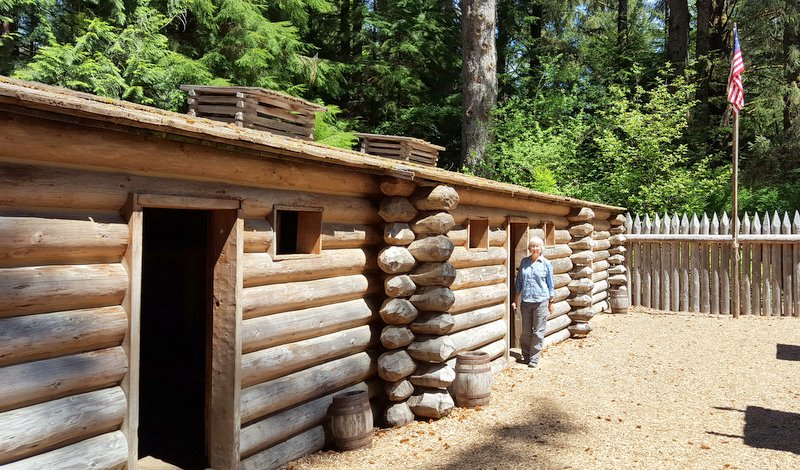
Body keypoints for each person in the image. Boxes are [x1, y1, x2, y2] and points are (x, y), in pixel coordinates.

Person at [512, 236, 554, 369]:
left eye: (537, 246)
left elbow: (550, 284)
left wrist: (551, 302)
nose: (535, 249)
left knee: (538, 331)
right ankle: (526, 355)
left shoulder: (546, 263)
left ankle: (534, 358)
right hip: (526, 301)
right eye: (532, 246)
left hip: (541, 301)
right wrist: (515, 300)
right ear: (529, 248)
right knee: (525, 331)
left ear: (541, 248)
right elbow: (518, 283)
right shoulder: (524, 262)